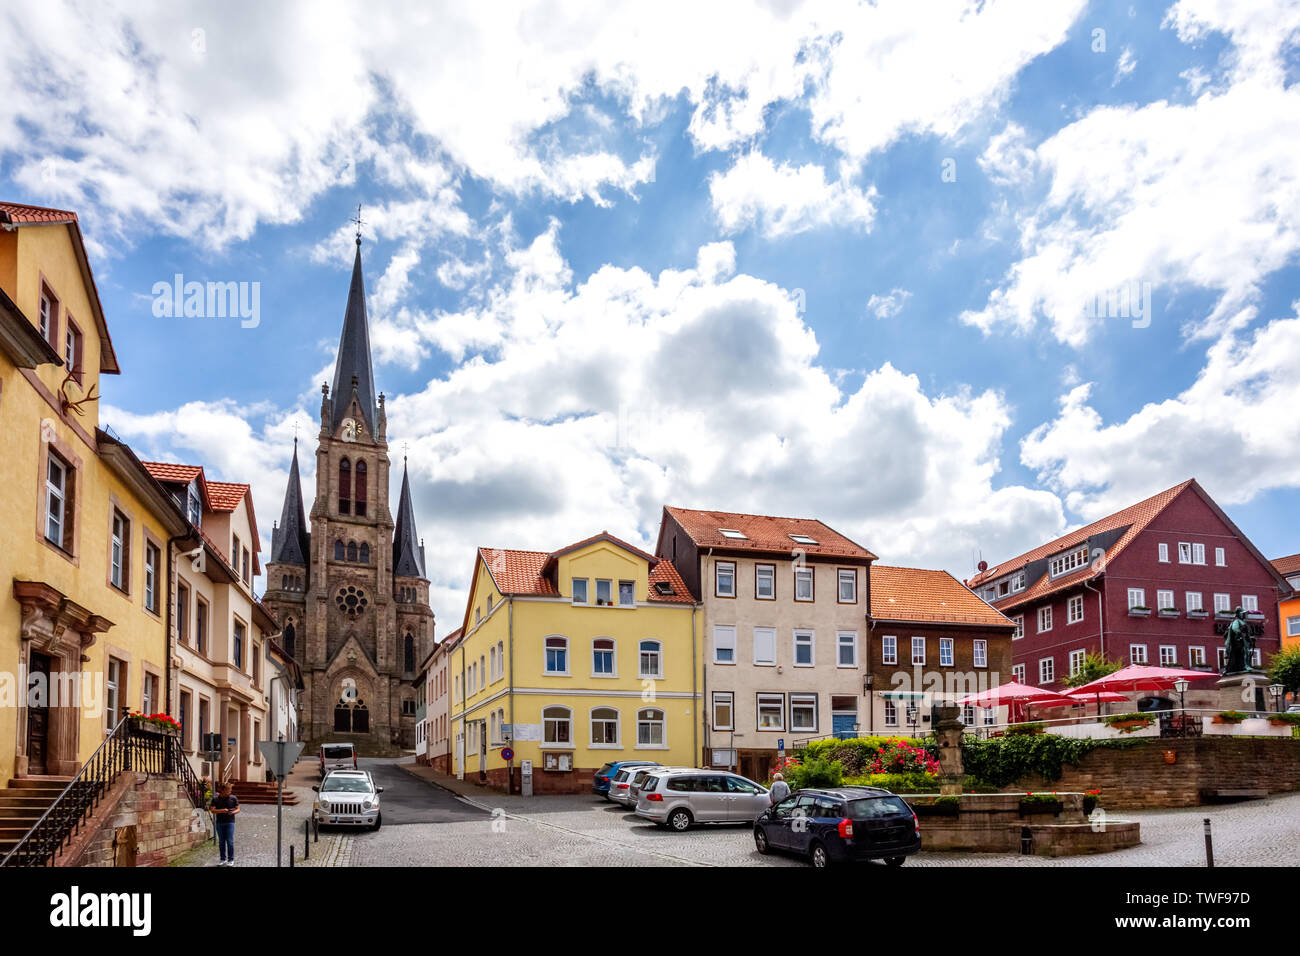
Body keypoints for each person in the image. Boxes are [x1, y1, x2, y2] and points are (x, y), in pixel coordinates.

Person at [211, 781, 240, 866]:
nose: (230, 792)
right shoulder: (215, 799)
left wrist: (233, 812)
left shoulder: (233, 798)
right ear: (222, 790)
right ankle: (222, 859)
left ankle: (231, 860)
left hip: (230, 822)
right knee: (221, 842)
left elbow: (238, 809)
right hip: (220, 823)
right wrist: (222, 810)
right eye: (228, 790)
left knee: (230, 841)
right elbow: (212, 810)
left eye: (230, 790)